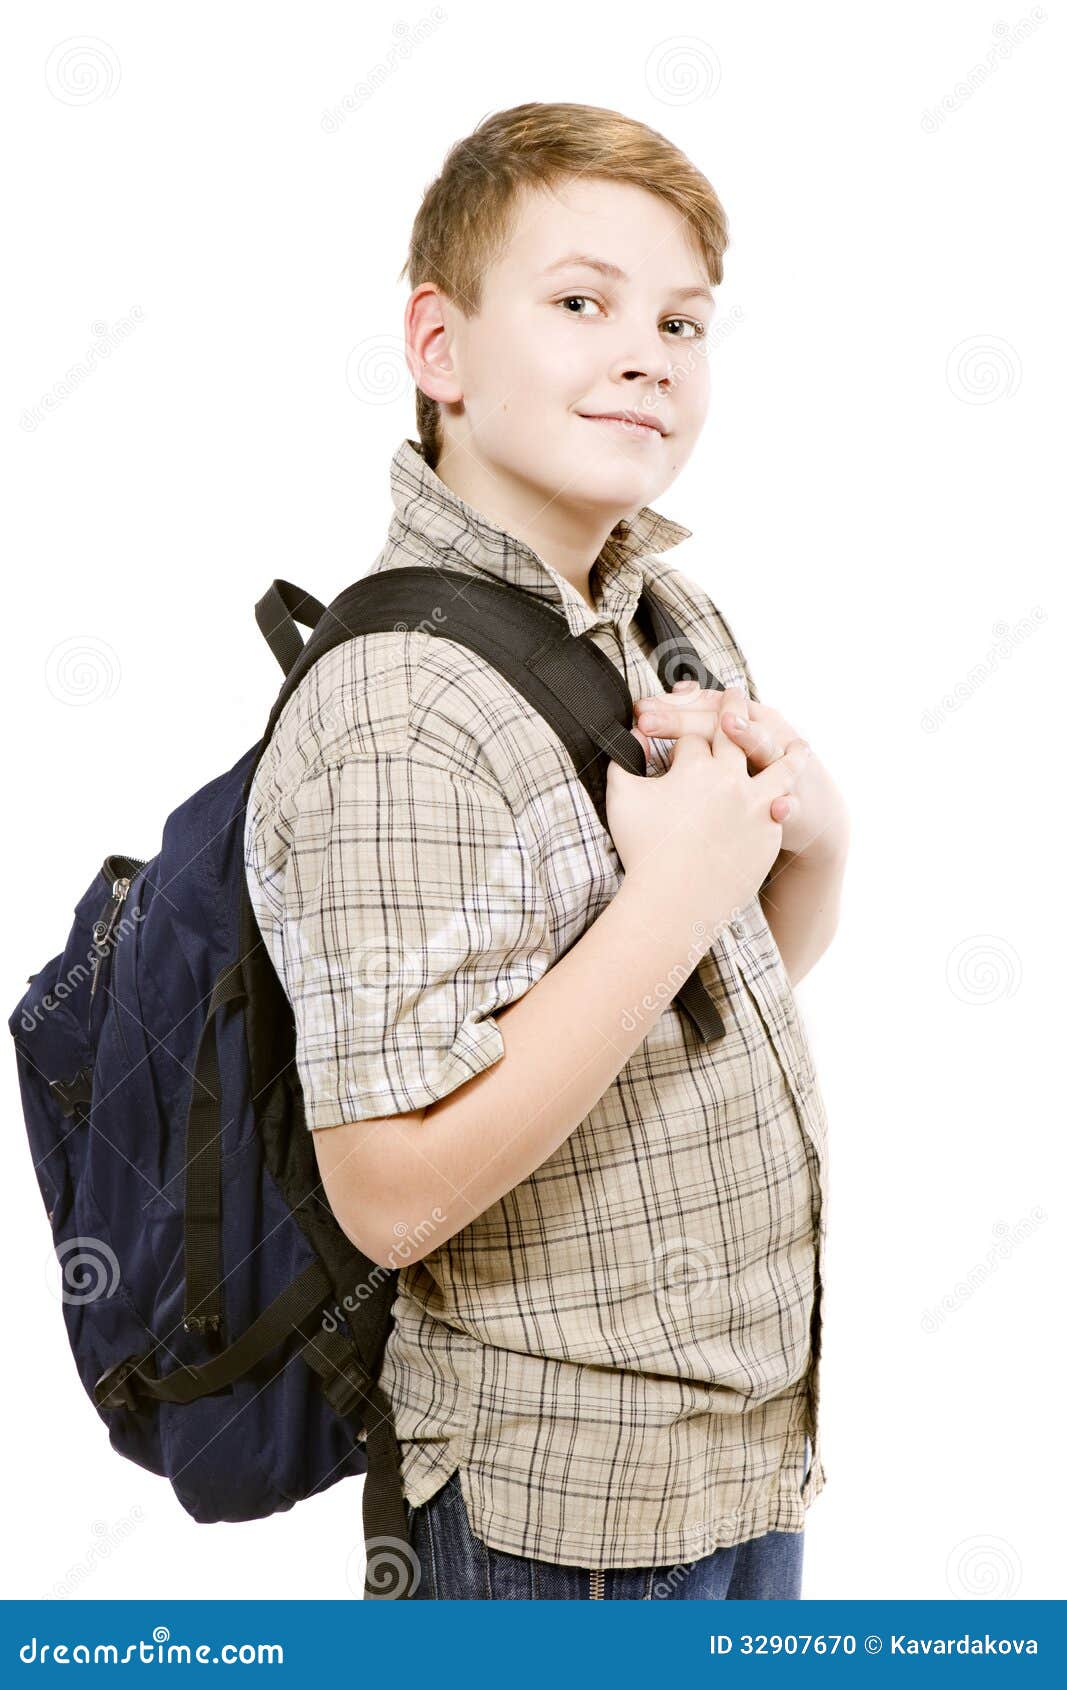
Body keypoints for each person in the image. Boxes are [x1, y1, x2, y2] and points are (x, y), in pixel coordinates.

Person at [244, 101, 850, 1601]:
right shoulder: (402, 703)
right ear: (439, 349)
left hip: (742, 1453)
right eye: (581, 302)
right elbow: (387, 1190)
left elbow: (716, 998)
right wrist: (681, 885)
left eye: (683, 321)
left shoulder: (664, 619)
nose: (648, 352)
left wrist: (807, 846)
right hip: (548, 1516)